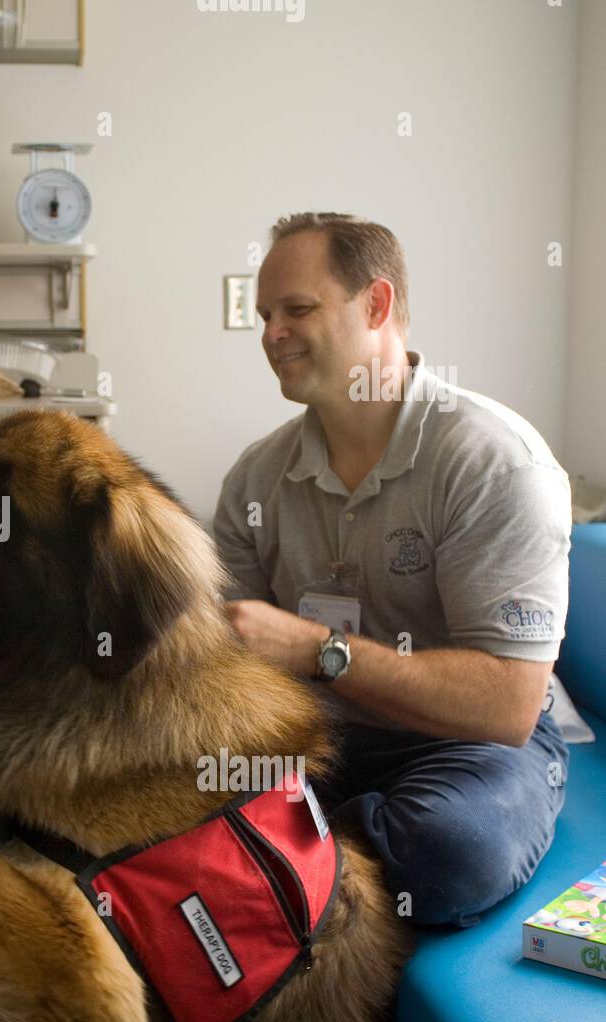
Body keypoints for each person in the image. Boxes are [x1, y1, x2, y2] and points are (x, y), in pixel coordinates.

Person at [213, 212, 572, 928]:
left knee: (452, 849)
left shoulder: (491, 463)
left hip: (470, 750)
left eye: (298, 309)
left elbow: (507, 707)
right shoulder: (256, 478)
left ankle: (288, 858)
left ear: (376, 305)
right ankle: (304, 855)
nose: (270, 334)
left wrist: (319, 651)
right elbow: (224, 669)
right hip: (320, 740)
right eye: (264, 315)